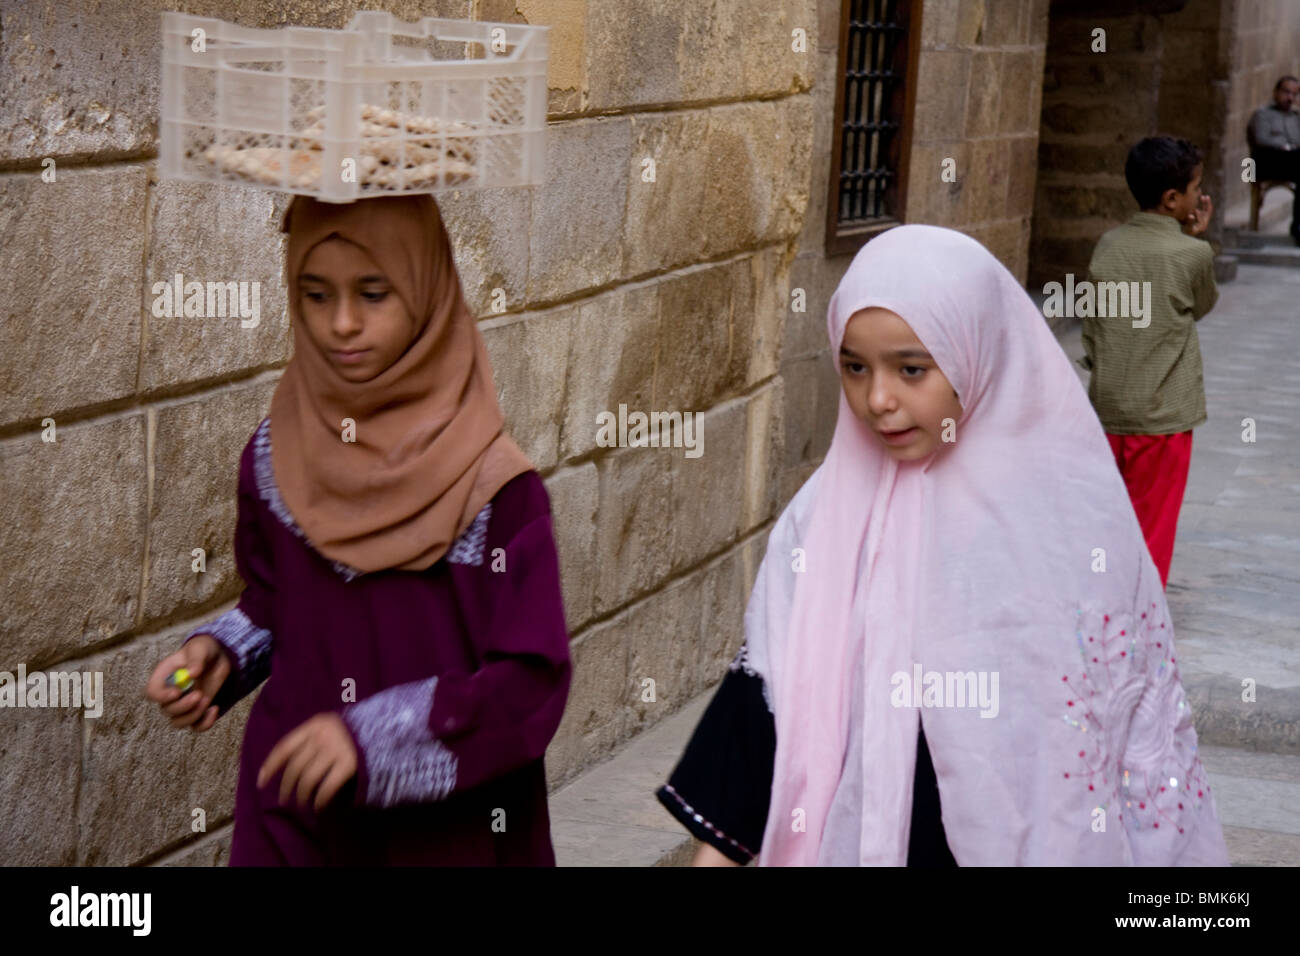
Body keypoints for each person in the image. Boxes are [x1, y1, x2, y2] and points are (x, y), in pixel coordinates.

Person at [656, 224, 1230, 866]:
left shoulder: (1072, 520)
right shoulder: (827, 514)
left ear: (974, 351)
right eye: (854, 367)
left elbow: (1130, 737)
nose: (878, 400)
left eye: (911, 369)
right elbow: (767, 708)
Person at [145, 194, 572, 865]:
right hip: (297, 823)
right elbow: (274, 603)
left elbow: (531, 684)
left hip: (447, 839)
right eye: (315, 295)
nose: (341, 323)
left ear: (426, 290)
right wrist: (221, 654)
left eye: (374, 294)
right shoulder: (273, 455)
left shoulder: (498, 492)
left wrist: (373, 739)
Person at [1082, 136, 1217, 589]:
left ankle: (1101, 599)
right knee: (1152, 526)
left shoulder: (1109, 245)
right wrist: (1195, 240)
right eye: (1196, 188)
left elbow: (1094, 324)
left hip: (1109, 406)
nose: (1201, 196)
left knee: (1110, 517)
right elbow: (1201, 305)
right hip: (1162, 416)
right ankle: (1138, 613)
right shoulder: (1193, 254)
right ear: (1172, 198)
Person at [1247, 75, 1300, 243]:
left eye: (1294, 94)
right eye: (1286, 92)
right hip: (1267, 161)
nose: (1290, 97)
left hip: (1293, 162)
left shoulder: (1295, 117)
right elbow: (1261, 139)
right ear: (1276, 92)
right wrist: (1286, 147)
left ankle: (1298, 225)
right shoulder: (1263, 114)